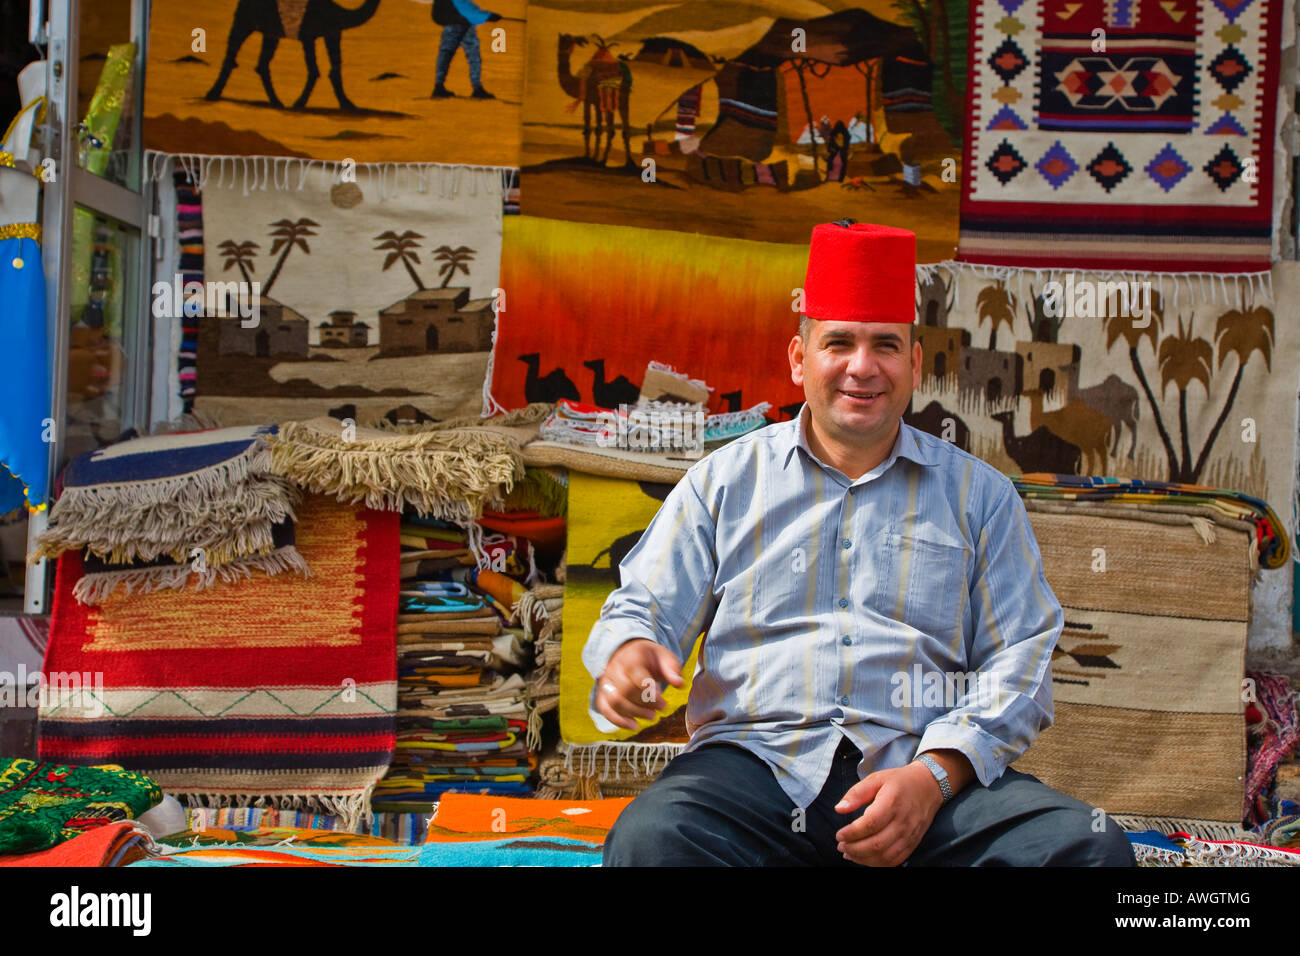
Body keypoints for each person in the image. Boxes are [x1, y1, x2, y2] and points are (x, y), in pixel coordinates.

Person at [583, 219, 1137, 867]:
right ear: (798, 359)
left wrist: (933, 778)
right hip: (755, 774)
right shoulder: (724, 482)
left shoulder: (981, 497)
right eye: (838, 342)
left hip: (924, 777)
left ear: (915, 364)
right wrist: (631, 652)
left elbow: (1022, 660)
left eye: (886, 345)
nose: (862, 367)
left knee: (1087, 848)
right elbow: (646, 606)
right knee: (654, 842)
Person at [431, 0, 501, 99]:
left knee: (446, 53)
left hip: (450, 24)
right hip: (462, 23)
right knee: (473, 55)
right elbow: (467, 9)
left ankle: (439, 86)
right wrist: (488, 16)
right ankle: (477, 88)